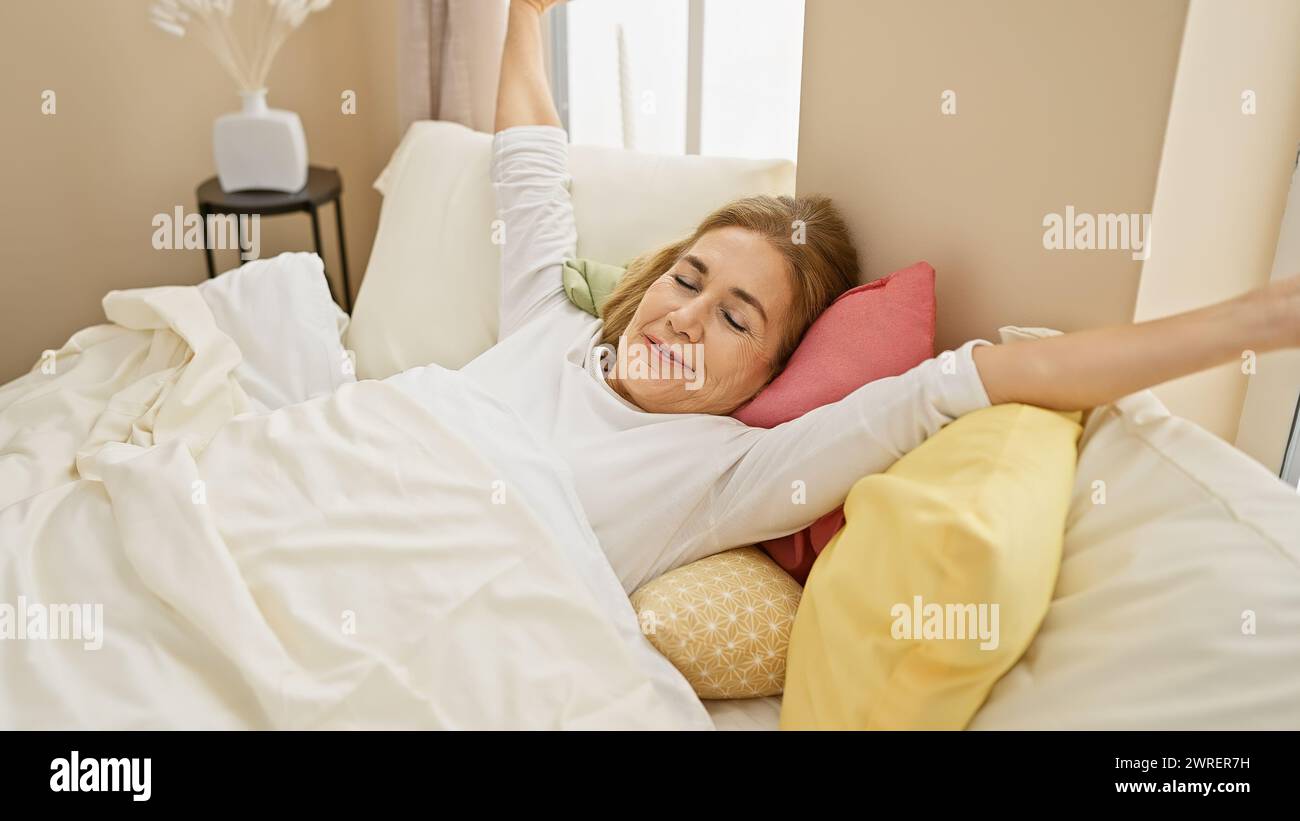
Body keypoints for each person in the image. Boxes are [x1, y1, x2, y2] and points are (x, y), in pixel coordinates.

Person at [460, 0, 1300, 593]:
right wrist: (528, 14)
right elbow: (529, 167)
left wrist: (1254, 322)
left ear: (768, 374)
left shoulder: (724, 470)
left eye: (735, 316)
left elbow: (969, 382)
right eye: (689, 277)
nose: (685, 313)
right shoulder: (553, 325)